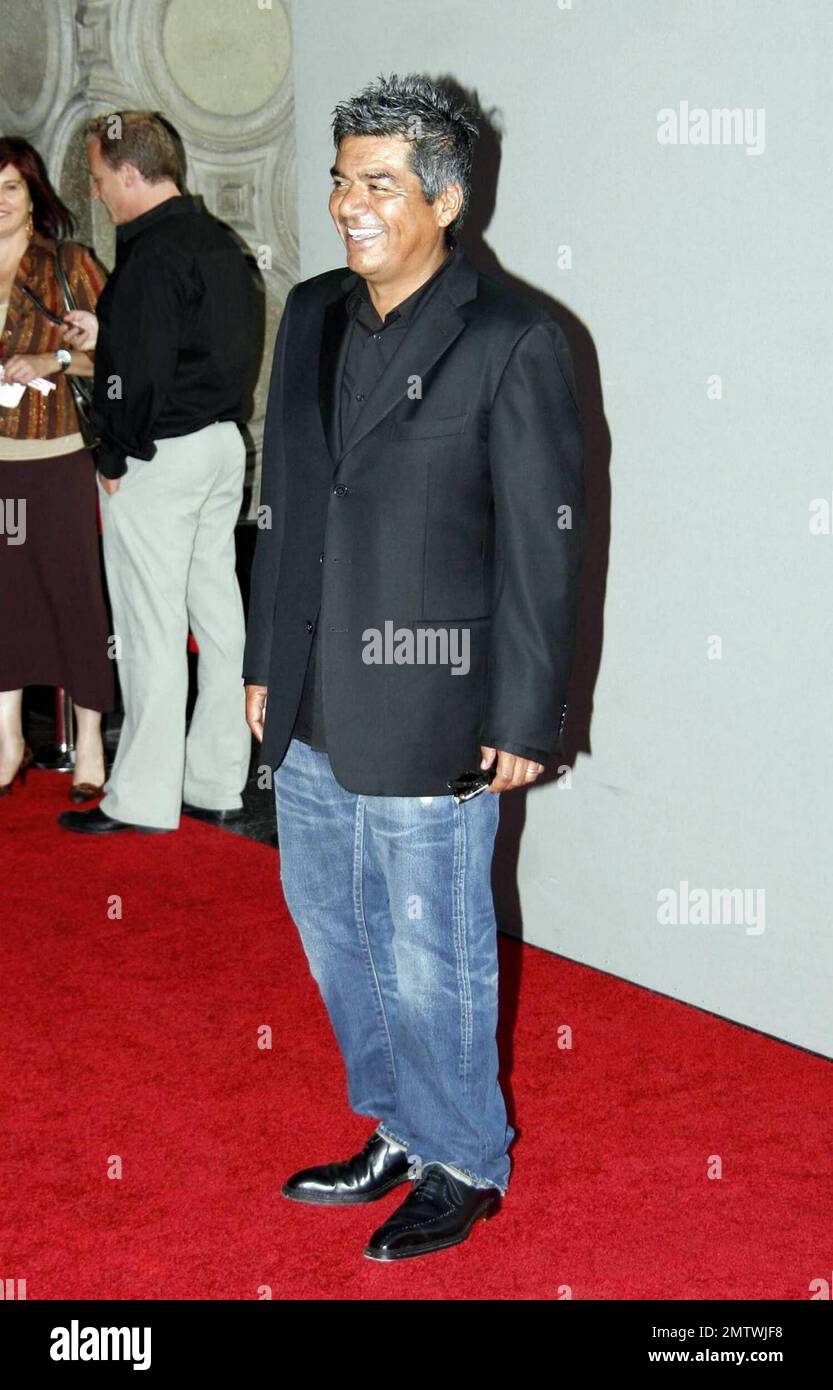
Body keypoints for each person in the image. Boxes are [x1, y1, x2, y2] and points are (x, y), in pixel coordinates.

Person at [243, 74, 585, 1261]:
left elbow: (544, 547)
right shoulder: (312, 312)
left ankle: (462, 1158)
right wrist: (260, 660)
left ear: (443, 198)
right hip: (313, 698)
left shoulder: (513, 337)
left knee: (434, 948)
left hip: (436, 704)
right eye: (339, 177)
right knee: (336, 930)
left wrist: (526, 714)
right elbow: (285, 501)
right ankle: (394, 1123)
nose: (347, 202)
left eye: (376, 182)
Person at [59, 111, 262, 835]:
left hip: (159, 456)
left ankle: (140, 798)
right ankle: (215, 780)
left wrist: (112, 454)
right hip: (220, 448)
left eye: (99, 177)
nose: (97, 191)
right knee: (217, 619)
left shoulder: (149, 257)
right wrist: (108, 336)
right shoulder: (218, 242)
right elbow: (190, 349)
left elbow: (139, 381)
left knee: (149, 628)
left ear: (132, 174)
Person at [0, 137, 113, 801]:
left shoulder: (67, 264)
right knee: (5, 600)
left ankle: (91, 739)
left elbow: (115, 356)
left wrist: (51, 362)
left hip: (59, 459)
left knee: (75, 598)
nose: (0, 203)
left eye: (10, 187)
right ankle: (8, 735)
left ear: (33, 195)